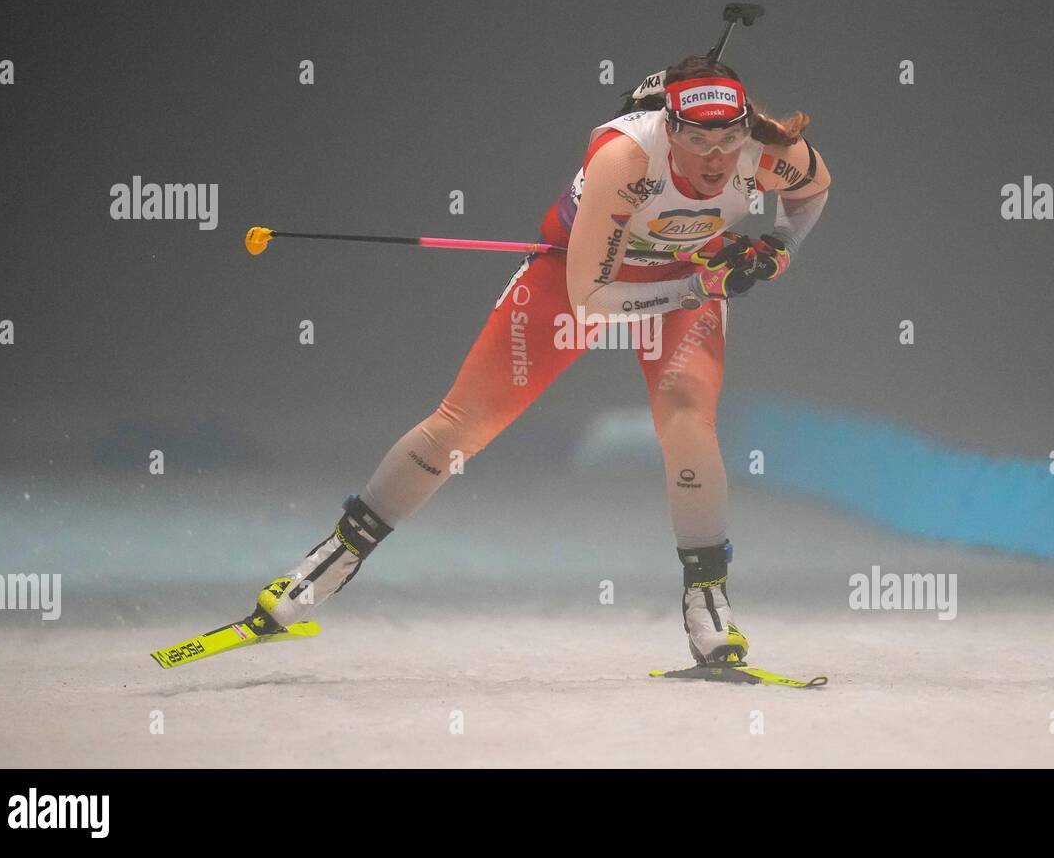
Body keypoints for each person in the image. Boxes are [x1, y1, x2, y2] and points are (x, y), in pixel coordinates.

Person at [246, 54, 831, 666]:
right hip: (579, 277)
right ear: (668, 127)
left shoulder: (766, 151)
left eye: (729, 139)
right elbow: (593, 296)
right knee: (462, 426)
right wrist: (700, 289)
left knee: (688, 422)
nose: (716, 158)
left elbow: (815, 190)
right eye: (698, 139)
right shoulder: (624, 159)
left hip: (687, 272)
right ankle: (331, 561)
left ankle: (709, 602)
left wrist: (779, 248)